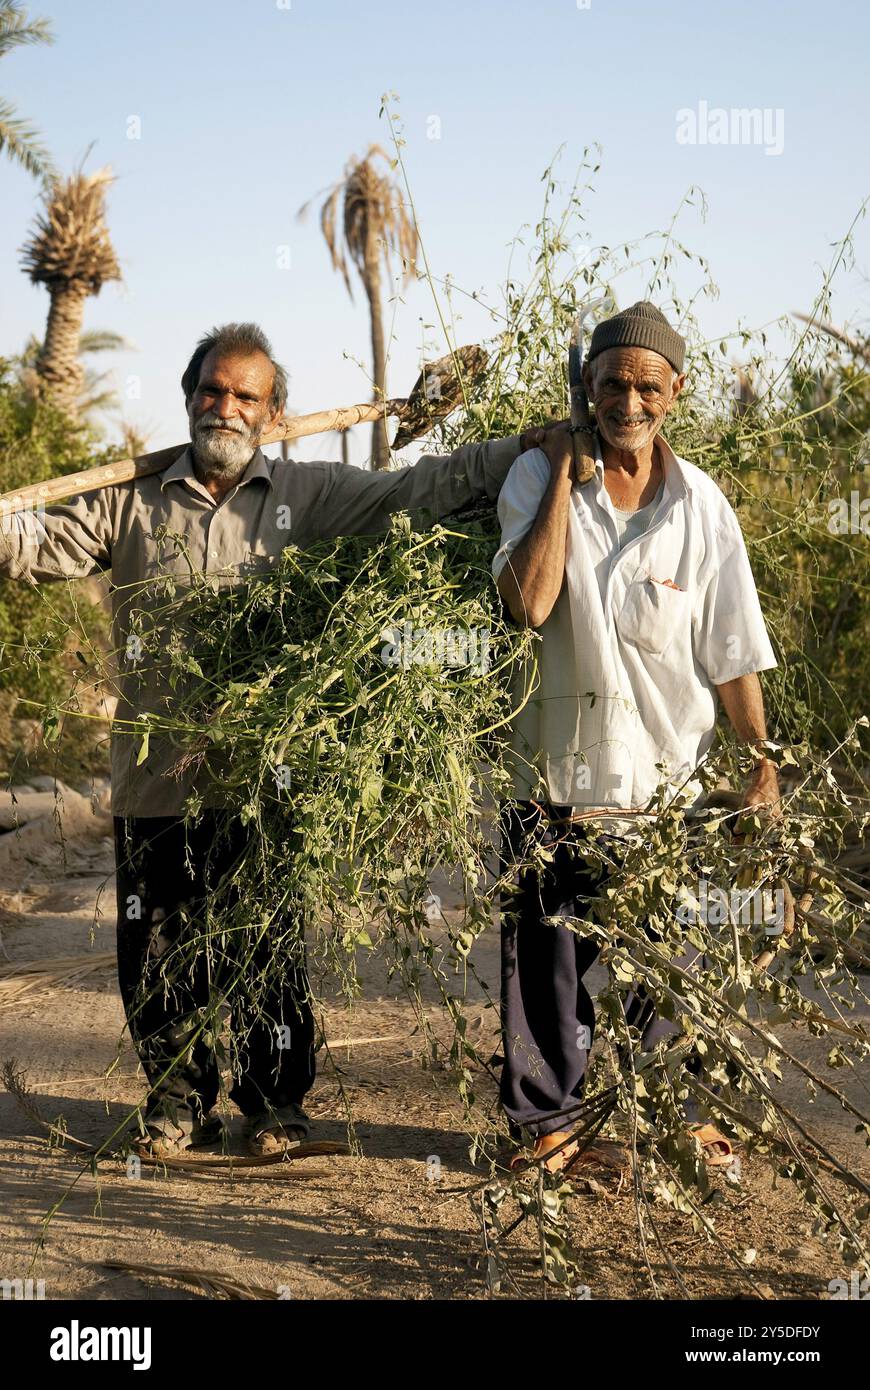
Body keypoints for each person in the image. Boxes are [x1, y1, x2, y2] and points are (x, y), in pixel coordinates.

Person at [0, 320, 553, 1157]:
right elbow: (36, 545)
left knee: (265, 943)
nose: (225, 407)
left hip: (265, 777)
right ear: (190, 399)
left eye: (244, 396)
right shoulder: (129, 501)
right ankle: (178, 1101)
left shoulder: (309, 494)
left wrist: (522, 448)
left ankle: (275, 1107)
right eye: (212, 391)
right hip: (155, 777)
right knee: (159, 946)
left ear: (273, 410)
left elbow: (419, 491)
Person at [492, 301, 779, 1172]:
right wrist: (558, 478)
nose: (628, 398)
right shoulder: (535, 481)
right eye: (611, 381)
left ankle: (680, 1119)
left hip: (667, 792)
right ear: (587, 386)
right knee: (548, 972)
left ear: (675, 394)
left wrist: (763, 764)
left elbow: (731, 652)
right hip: (553, 782)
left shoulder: (704, 510)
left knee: (673, 971)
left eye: (646, 384)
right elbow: (528, 603)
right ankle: (551, 1128)